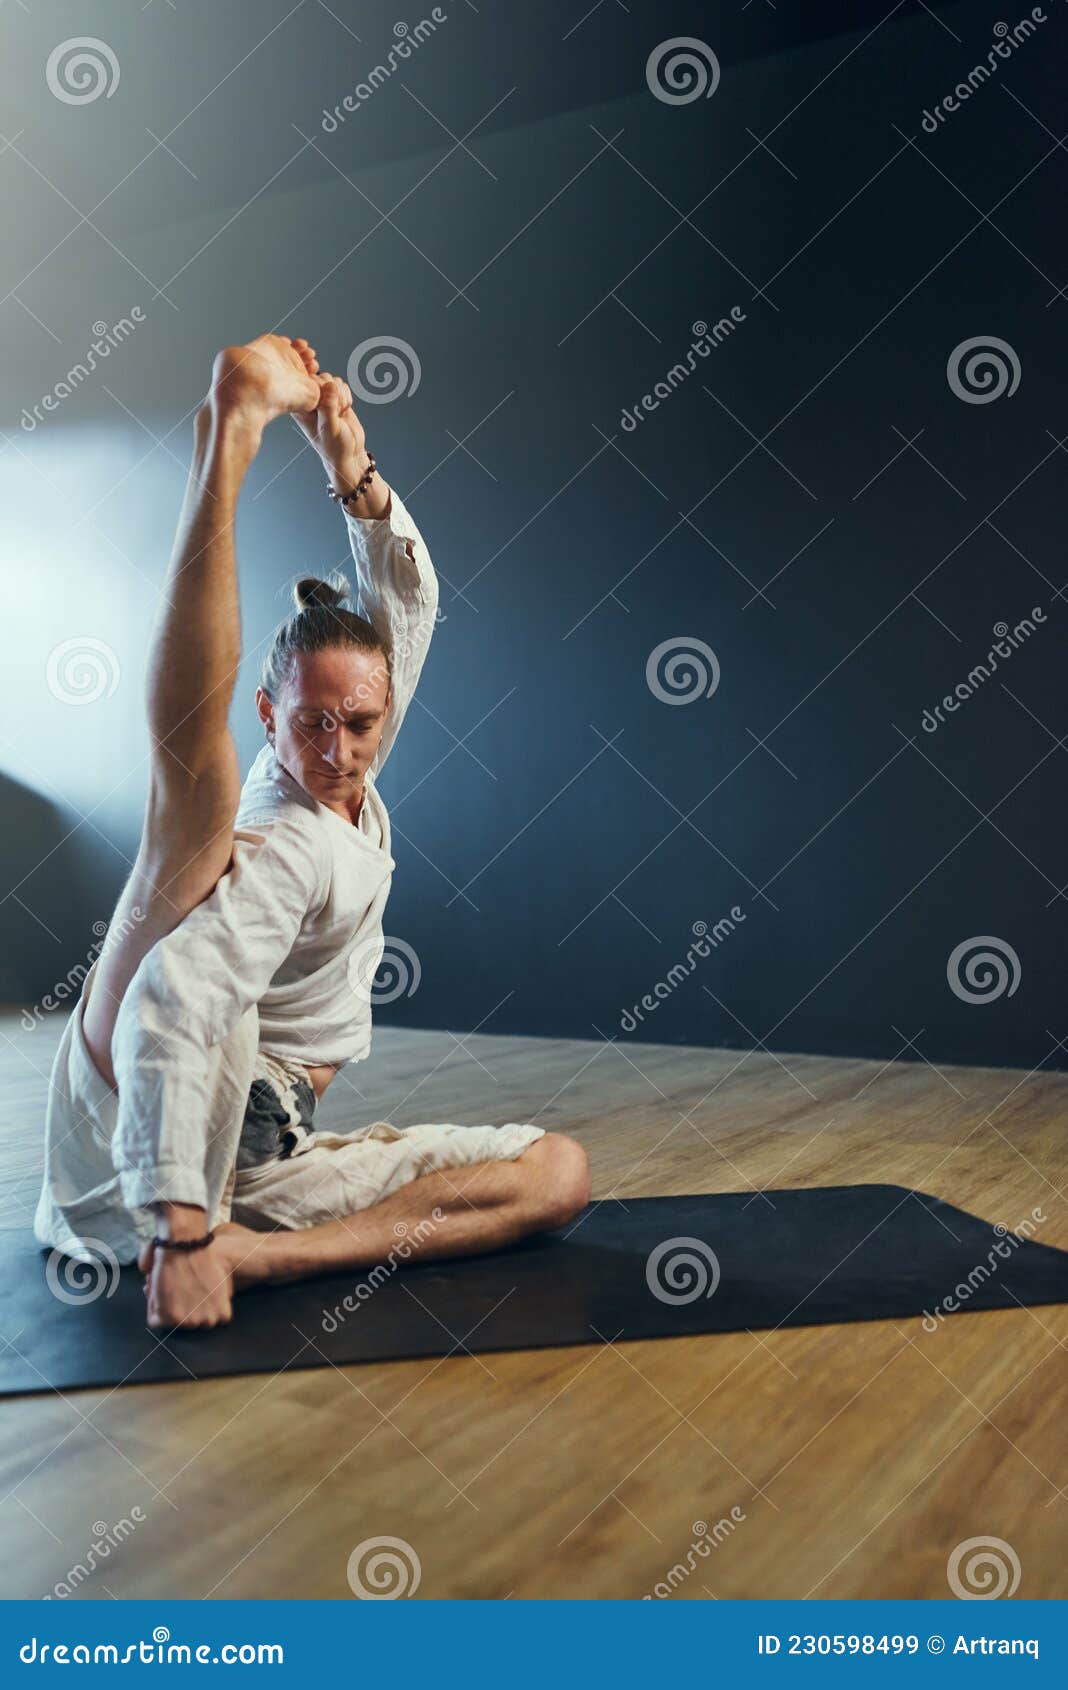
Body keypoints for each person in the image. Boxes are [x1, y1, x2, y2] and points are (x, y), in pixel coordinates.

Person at [33, 332, 590, 1330]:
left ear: (382, 713)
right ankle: (233, 432)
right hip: (153, 1133)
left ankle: (272, 1258)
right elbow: (172, 995)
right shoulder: (290, 842)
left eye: (360, 722)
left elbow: (406, 614)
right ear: (268, 714)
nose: (337, 749)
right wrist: (178, 1235)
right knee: (192, 811)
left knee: (557, 1174)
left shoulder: (349, 757)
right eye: (311, 724)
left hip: (254, 1164)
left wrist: (353, 473)